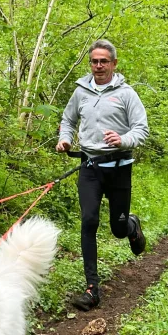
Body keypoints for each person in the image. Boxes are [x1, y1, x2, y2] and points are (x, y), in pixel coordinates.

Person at [56, 39, 149, 311]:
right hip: (90, 168)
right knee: (88, 221)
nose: (99, 66)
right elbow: (68, 119)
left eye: (104, 61)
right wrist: (65, 139)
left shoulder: (127, 94)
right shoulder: (81, 91)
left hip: (120, 168)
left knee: (117, 230)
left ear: (114, 64)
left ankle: (131, 226)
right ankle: (92, 288)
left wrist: (122, 139)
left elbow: (141, 130)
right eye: (94, 61)